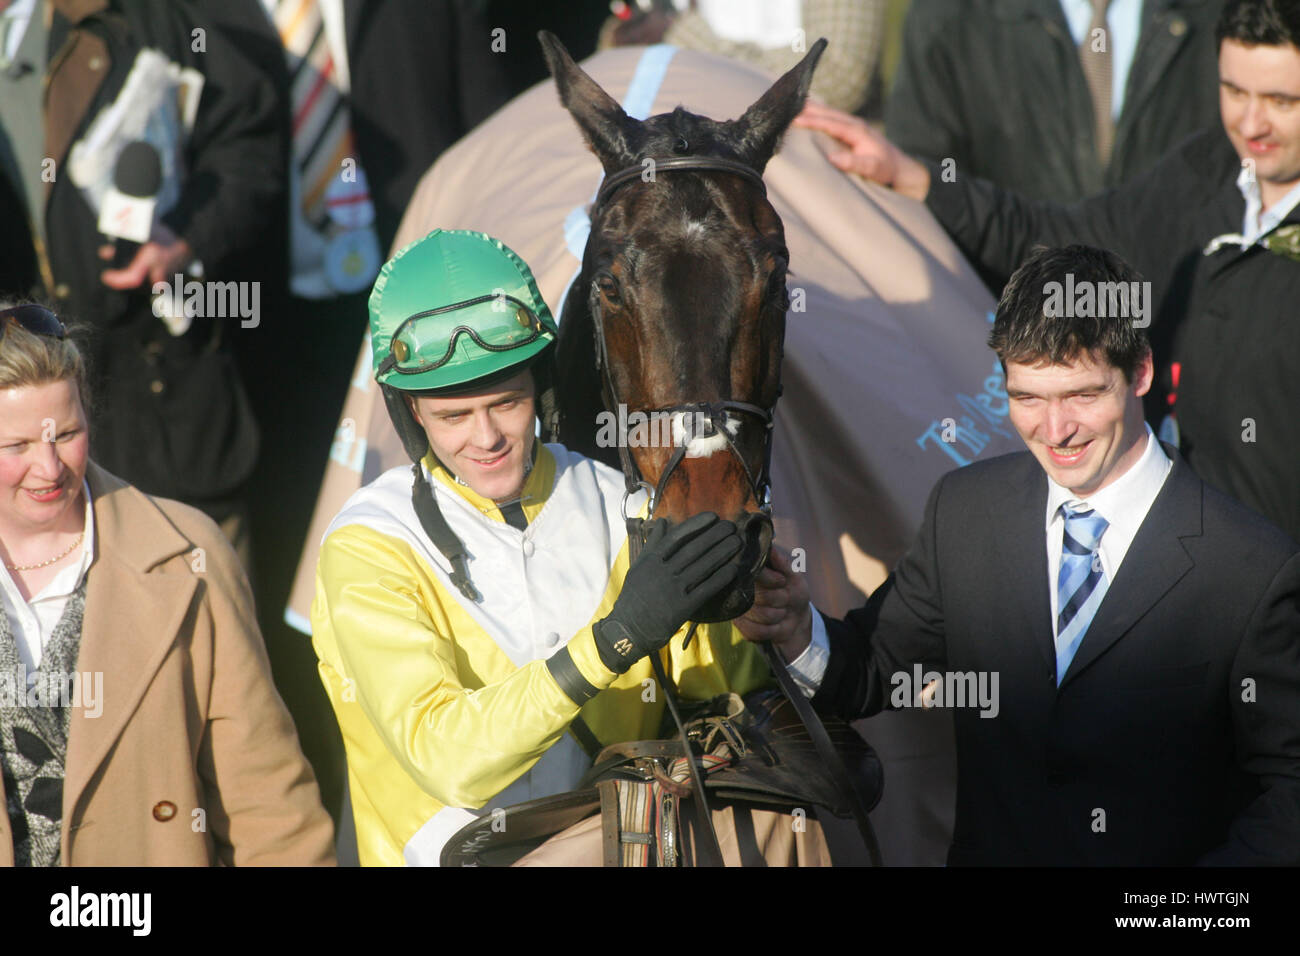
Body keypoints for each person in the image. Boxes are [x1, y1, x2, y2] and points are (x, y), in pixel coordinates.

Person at [738, 245, 1300, 865]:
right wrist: (798, 630)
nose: (1055, 430)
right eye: (1027, 397)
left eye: (1083, 395)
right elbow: (879, 666)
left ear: (1141, 372)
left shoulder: (1255, 568)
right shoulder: (967, 509)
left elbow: (1289, 793)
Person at [309, 229, 814, 867]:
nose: (486, 437)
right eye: (453, 417)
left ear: (541, 390)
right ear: (411, 415)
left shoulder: (622, 500)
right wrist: (616, 640)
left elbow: (713, 691)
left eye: (506, 403)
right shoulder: (368, 544)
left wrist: (767, 626)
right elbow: (451, 761)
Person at [795, 0, 1300, 545]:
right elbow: (1067, 240)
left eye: (1281, 101)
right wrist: (919, 181)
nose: (1252, 123)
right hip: (1175, 554)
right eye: (1234, 92)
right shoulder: (1203, 169)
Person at [0, 302, 334, 866]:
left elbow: (267, 806)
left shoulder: (189, 556)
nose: (51, 468)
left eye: (69, 434)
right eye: (18, 447)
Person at [0, 0, 283, 561]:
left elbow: (250, 150)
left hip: (157, 397)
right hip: (23, 411)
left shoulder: (149, 17)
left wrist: (186, 238)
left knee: (200, 605)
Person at [886, 0, 1223, 203]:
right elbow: (927, 179)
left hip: (1183, 308)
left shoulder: (1226, 16)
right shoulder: (951, 18)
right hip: (1003, 307)